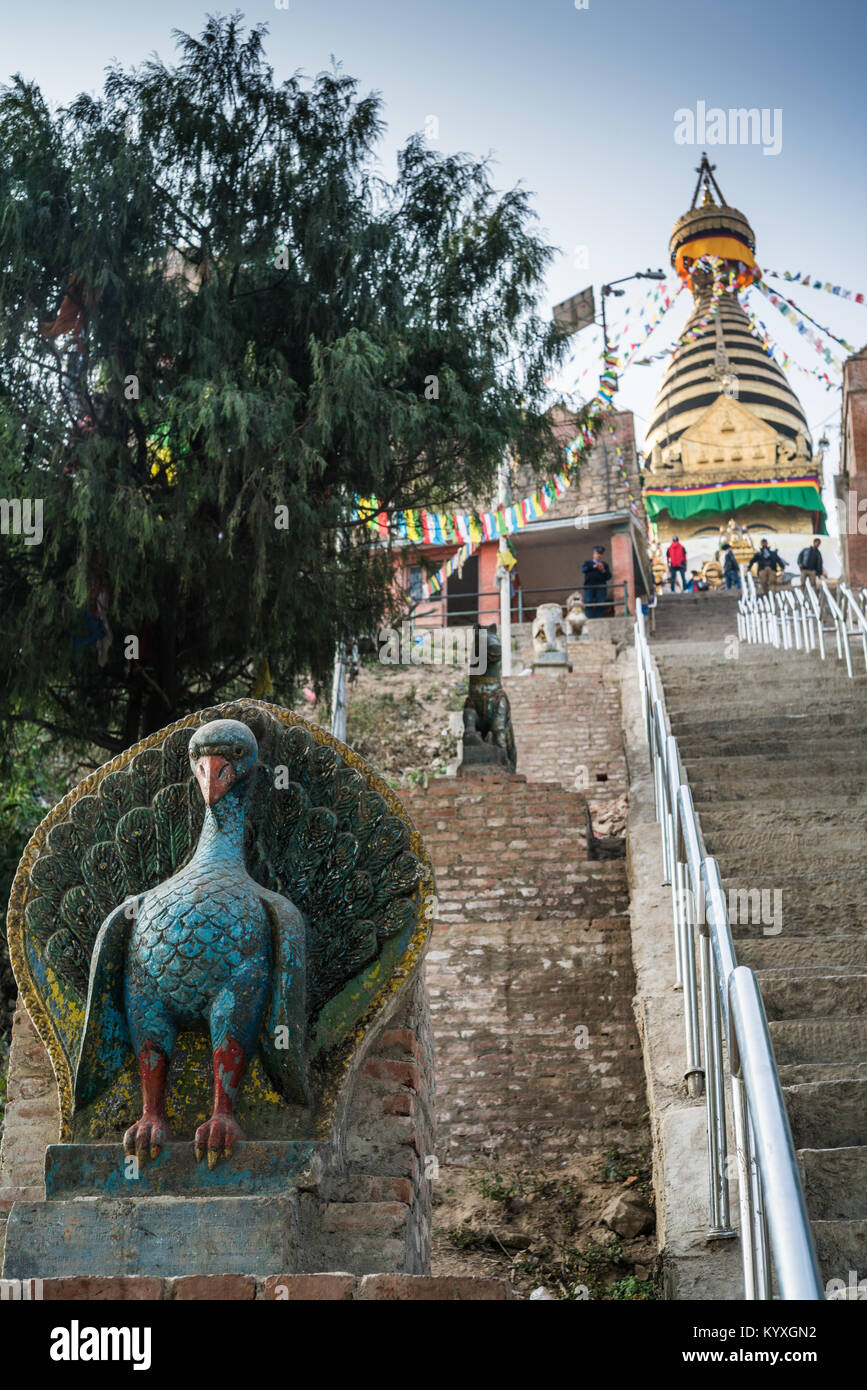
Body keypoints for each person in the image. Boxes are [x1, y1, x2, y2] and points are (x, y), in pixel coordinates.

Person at [582, 545, 611, 619]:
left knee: (601, 603)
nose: (599, 555)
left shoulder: (605, 565)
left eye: (600, 554)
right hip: (589, 586)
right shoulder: (588, 563)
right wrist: (593, 566)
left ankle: (599, 618)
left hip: (601, 587)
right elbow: (583, 570)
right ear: (594, 554)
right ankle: (589, 619)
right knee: (588, 603)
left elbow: (609, 577)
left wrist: (603, 570)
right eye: (597, 553)